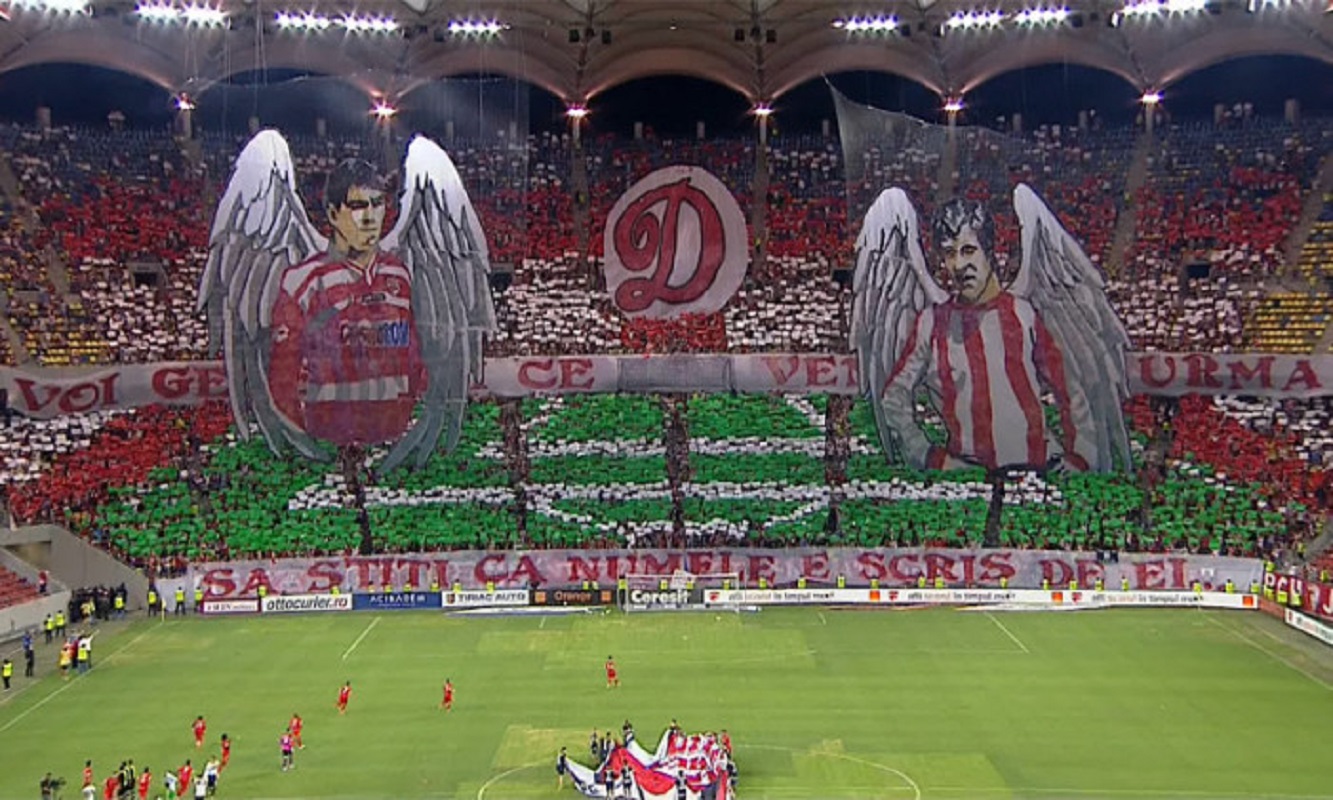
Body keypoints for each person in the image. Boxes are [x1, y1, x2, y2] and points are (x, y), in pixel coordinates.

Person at [877, 197, 1098, 472]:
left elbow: (1071, 390)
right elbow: (893, 395)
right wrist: (927, 456)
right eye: (949, 253)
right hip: (970, 476)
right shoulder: (932, 324)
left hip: (1036, 472)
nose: (959, 264)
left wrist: (1080, 457)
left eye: (969, 250)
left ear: (989, 250)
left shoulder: (1024, 314)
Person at [265, 159, 426, 448]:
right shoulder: (303, 281)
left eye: (377, 204)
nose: (370, 218)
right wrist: (305, 445)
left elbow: (412, 355)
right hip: (329, 438)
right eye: (357, 206)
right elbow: (282, 376)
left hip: (392, 435)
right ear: (332, 213)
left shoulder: (399, 275)